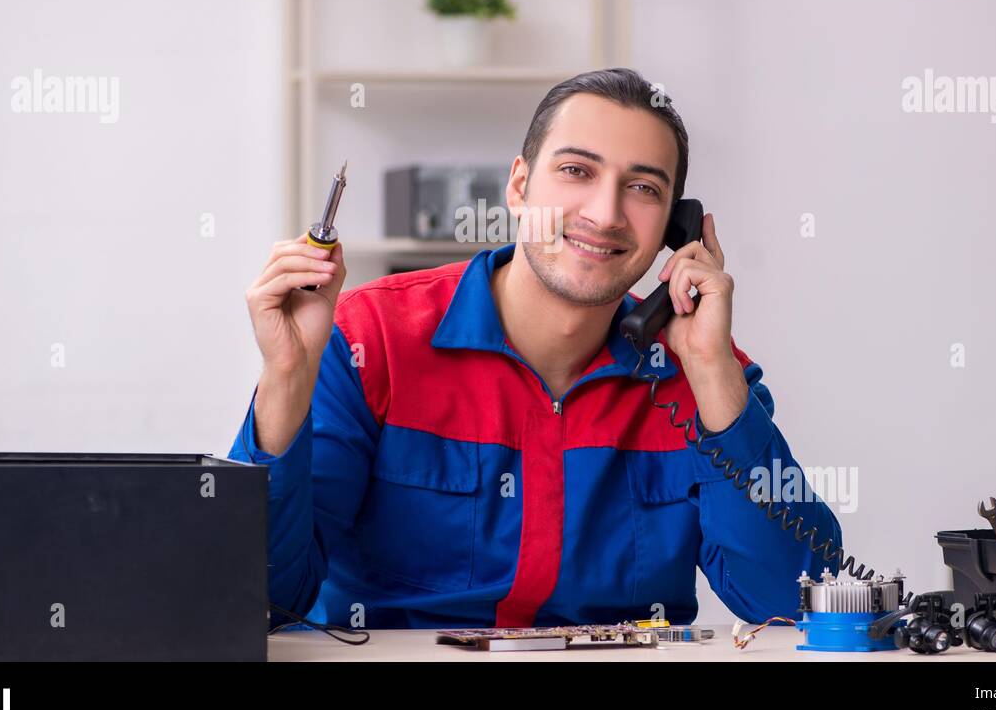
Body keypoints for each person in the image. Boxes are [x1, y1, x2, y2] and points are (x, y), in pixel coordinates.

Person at [229, 67, 842, 630]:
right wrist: (286, 375)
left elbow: (791, 606)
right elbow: (261, 602)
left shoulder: (703, 373)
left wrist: (711, 374)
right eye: (577, 171)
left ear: (676, 230)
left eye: (643, 188)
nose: (604, 214)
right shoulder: (371, 340)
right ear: (519, 187)